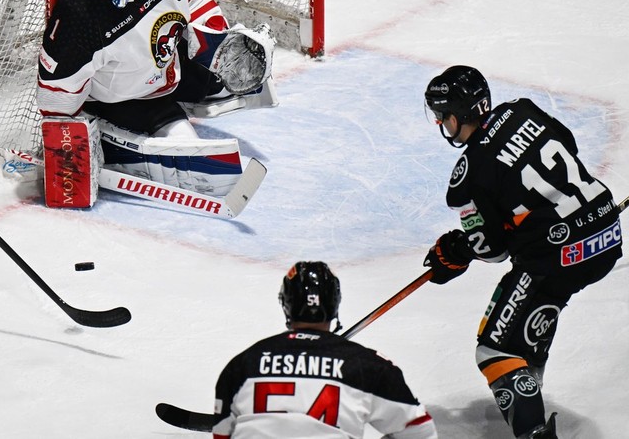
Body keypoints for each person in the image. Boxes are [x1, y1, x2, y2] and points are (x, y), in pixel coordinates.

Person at [421, 65, 621, 439]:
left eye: (441, 116)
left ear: (456, 116)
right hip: (606, 231)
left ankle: (532, 430)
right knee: (540, 300)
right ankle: (528, 384)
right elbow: (569, 146)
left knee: (494, 350)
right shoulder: (522, 109)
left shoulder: (467, 175)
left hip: (557, 254)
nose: (440, 124)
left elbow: (493, 250)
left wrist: (457, 250)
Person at [35, 0, 274, 208]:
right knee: (176, 128)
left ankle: (204, 86)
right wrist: (70, 136)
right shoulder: (79, 12)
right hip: (126, 97)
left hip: (170, 64)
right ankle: (165, 128)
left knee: (221, 75)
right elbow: (56, 91)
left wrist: (215, 40)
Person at [211, 261, 437, 439]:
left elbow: (222, 434)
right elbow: (420, 432)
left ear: (286, 304)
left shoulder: (243, 364)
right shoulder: (368, 366)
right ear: (335, 303)